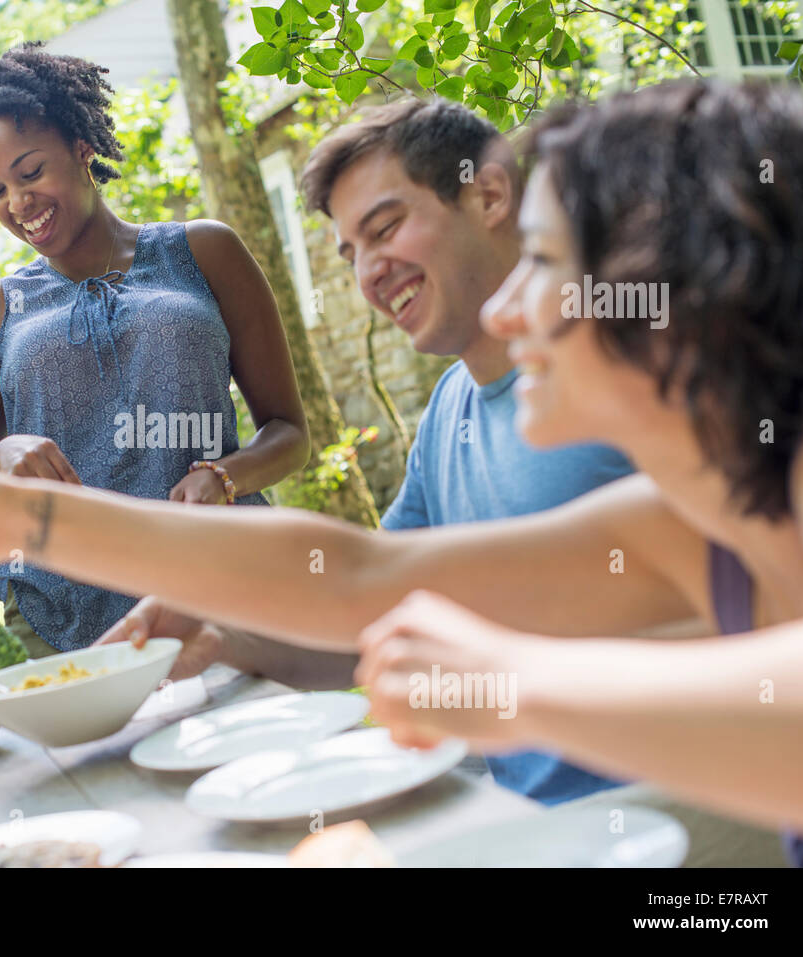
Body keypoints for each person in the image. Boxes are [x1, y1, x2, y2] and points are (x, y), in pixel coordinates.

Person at [0, 81, 803, 856]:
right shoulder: (682, 509)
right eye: (348, 249)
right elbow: (362, 584)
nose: (515, 312)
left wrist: (502, 681)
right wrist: (48, 534)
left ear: (683, 282)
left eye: (547, 265)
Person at [103, 98, 636, 806]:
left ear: (489, 194)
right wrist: (225, 634)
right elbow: (372, 616)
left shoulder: (632, 370)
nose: (369, 274)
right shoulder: (451, 412)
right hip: (522, 817)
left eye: (384, 229)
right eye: (351, 252)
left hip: (670, 816)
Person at [0, 42, 309, 655]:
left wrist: (224, 475)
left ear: (83, 150)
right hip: (59, 616)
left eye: (30, 173)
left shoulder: (203, 252)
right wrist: (1, 457)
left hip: (226, 585)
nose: (17, 203)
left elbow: (290, 430)